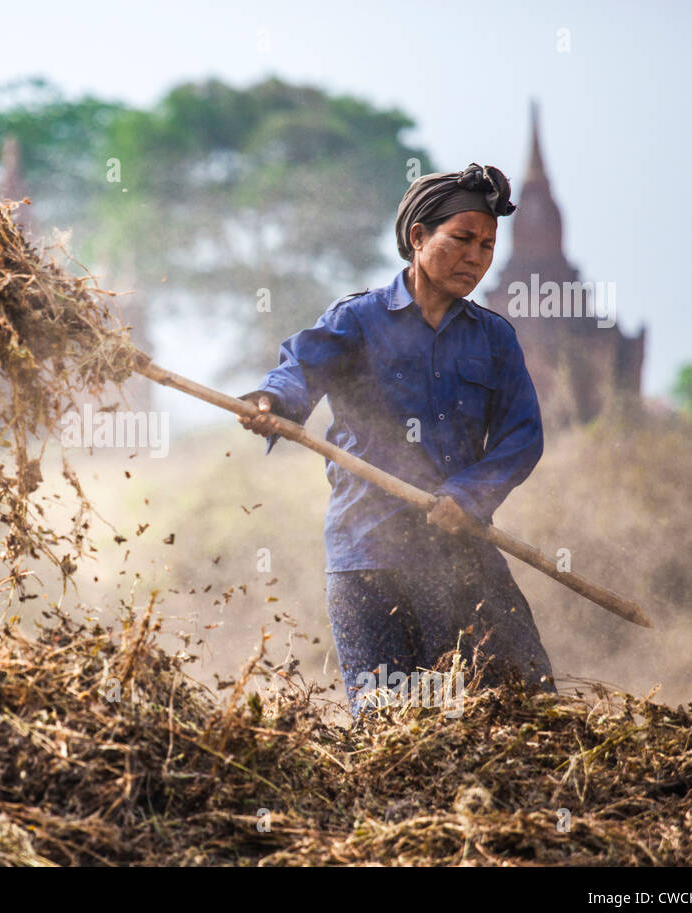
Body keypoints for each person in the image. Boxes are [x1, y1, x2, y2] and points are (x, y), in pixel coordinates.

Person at [237, 163, 556, 719]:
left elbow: (521, 437)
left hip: (459, 559)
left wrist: (471, 496)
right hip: (367, 558)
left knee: (516, 711)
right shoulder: (356, 320)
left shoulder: (495, 339)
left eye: (487, 245)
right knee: (389, 724)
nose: (476, 257)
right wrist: (271, 402)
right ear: (417, 237)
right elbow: (298, 370)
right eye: (461, 239)